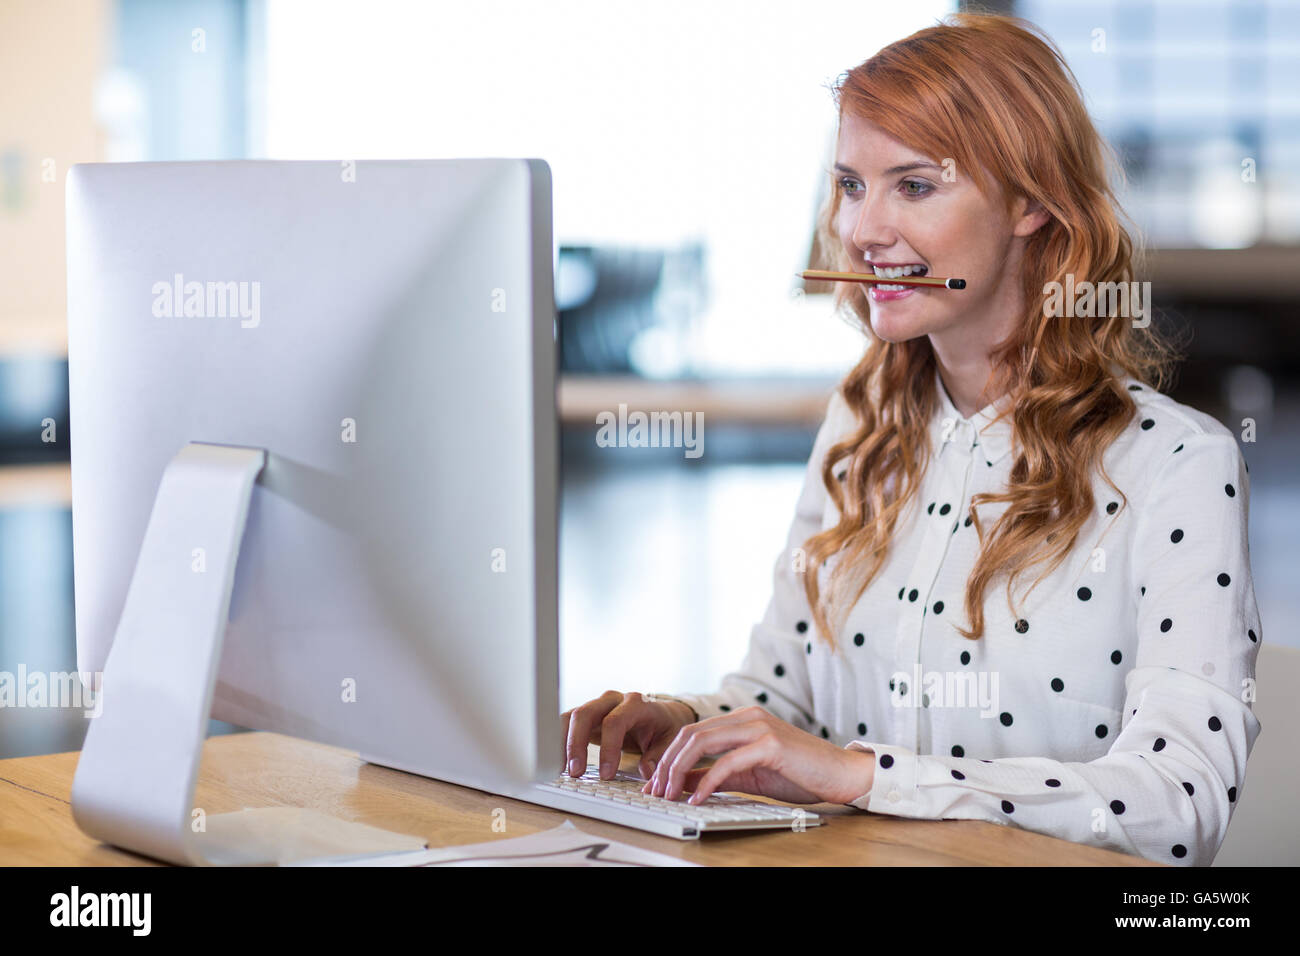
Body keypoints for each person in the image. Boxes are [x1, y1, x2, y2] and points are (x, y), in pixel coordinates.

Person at [561, 12, 1262, 867]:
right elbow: (781, 703)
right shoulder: (857, 432)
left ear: (1034, 203)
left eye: (916, 186)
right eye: (852, 185)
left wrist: (863, 778)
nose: (863, 231)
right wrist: (681, 725)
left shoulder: (1177, 464)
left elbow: (1179, 802)